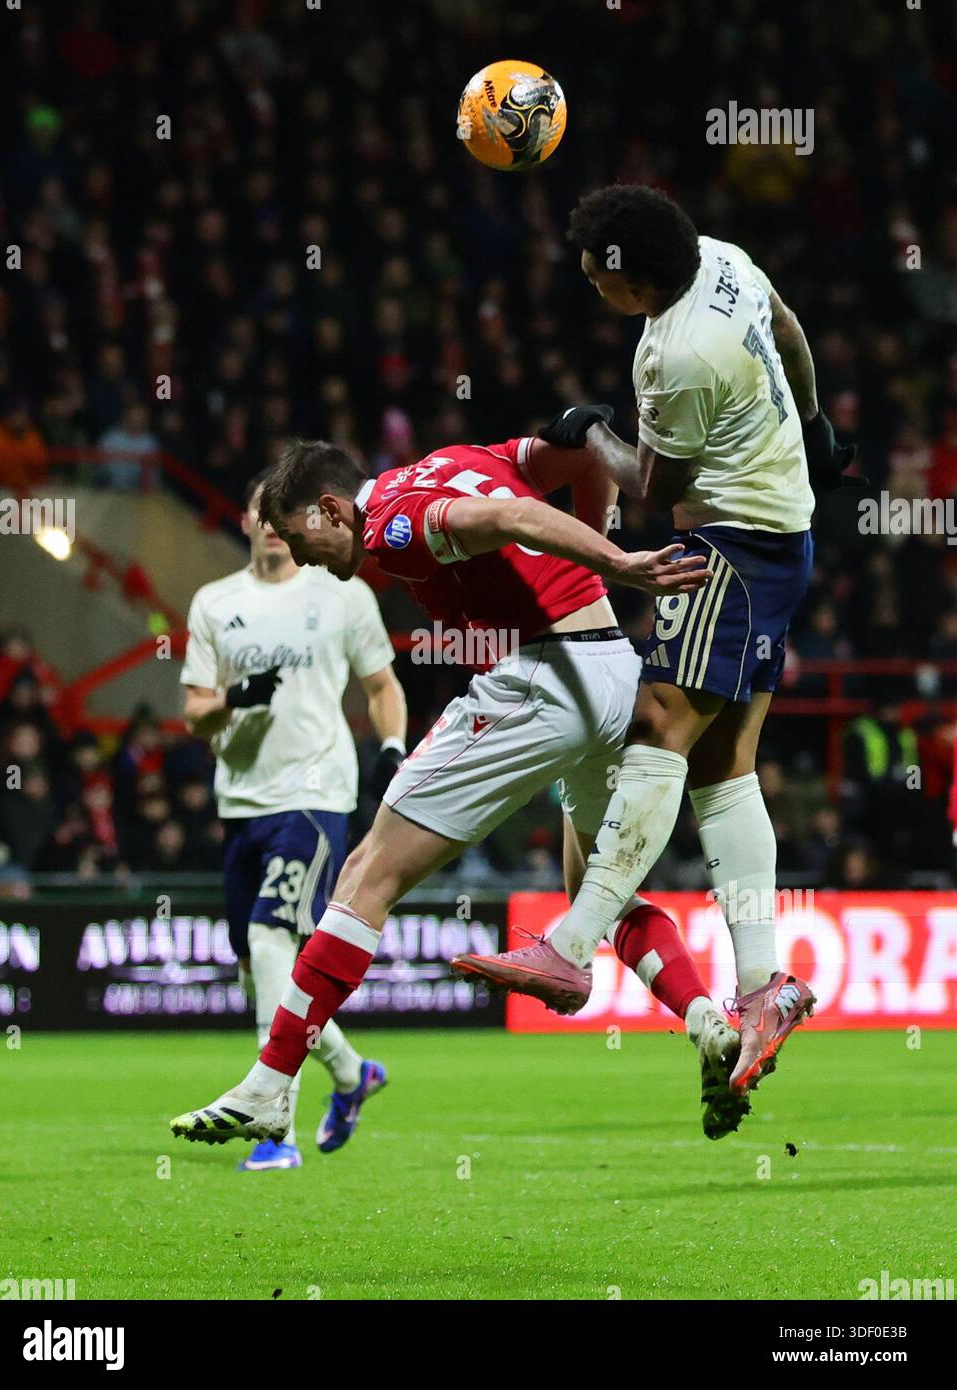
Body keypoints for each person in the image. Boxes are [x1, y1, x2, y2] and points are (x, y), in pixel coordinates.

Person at [171, 428, 754, 1150]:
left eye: (296, 538)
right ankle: (706, 1022)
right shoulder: (458, 459)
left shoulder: (389, 524)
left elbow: (510, 518)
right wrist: (603, 530)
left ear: (330, 509)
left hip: (546, 676)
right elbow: (578, 456)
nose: (299, 558)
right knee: (594, 892)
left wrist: (619, 561)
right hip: (611, 670)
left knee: (367, 875)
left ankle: (270, 1082)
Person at [455, 184, 861, 1097]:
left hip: (728, 547)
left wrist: (587, 429)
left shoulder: (676, 357)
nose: (591, 290)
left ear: (625, 278)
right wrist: (815, 422)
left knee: (656, 729)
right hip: (782, 535)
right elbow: (790, 329)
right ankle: (763, 986)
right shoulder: (723, 257)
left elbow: (647, 483)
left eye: (595, 277)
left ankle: (572, 944)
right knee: (726, 768)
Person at [179, 470, 407, 1170]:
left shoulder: (341, 592)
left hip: (315, 794)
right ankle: (349, 1072)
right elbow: (194, 712)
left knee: (272, 933)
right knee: (258, 972)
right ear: (248, 521)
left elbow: (381, 685)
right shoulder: (215, 603)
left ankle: (275, 1129)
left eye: (285, 513)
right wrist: (234, 699)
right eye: (261, 511)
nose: (272, 523)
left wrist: (392, 749)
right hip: (241, 798)